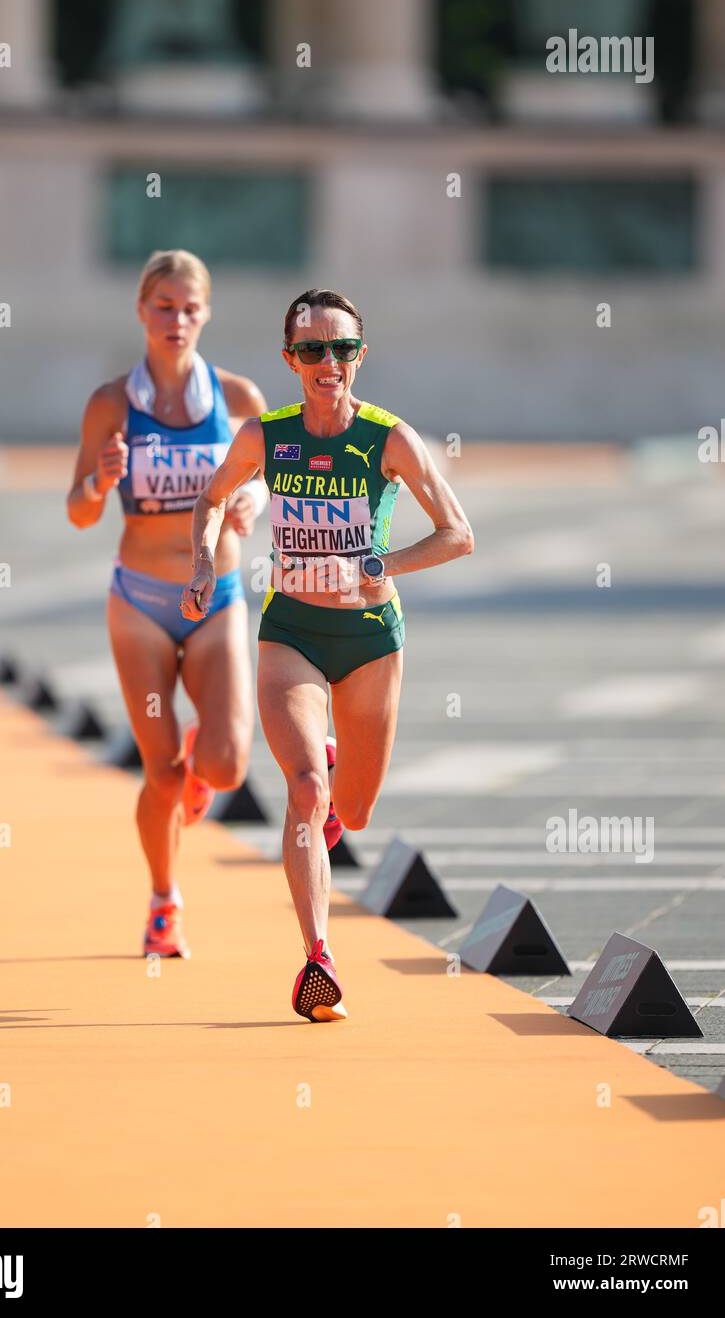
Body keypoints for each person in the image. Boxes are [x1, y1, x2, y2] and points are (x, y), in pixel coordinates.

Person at [182, 288, 474, 1020]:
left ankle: (340, 777)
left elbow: (458, 533)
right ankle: (319, 959)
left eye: (341, 348)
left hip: (372, 641)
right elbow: (211, 499)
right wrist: (200, 562)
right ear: (291, 360)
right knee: (307, 789)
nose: (327, 362)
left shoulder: (389, 439)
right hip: (294, 635)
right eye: (312, 349)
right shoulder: (266, 437)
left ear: (359, 358)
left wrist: (379, 566)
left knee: (358, 810)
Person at [67, 249, 266, 958]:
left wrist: (252, 497)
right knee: (163, 775)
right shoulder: (110, 404)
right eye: (163, 306)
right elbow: (80, 510)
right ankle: (163, 900)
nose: (176, 320)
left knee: (223, 768)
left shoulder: (239, 398)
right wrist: (100, 480)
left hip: (215, 601)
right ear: (141, 311)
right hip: (141, 604)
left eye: (189, 308)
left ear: (206, 313)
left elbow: (272, 475)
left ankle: (196, 751)